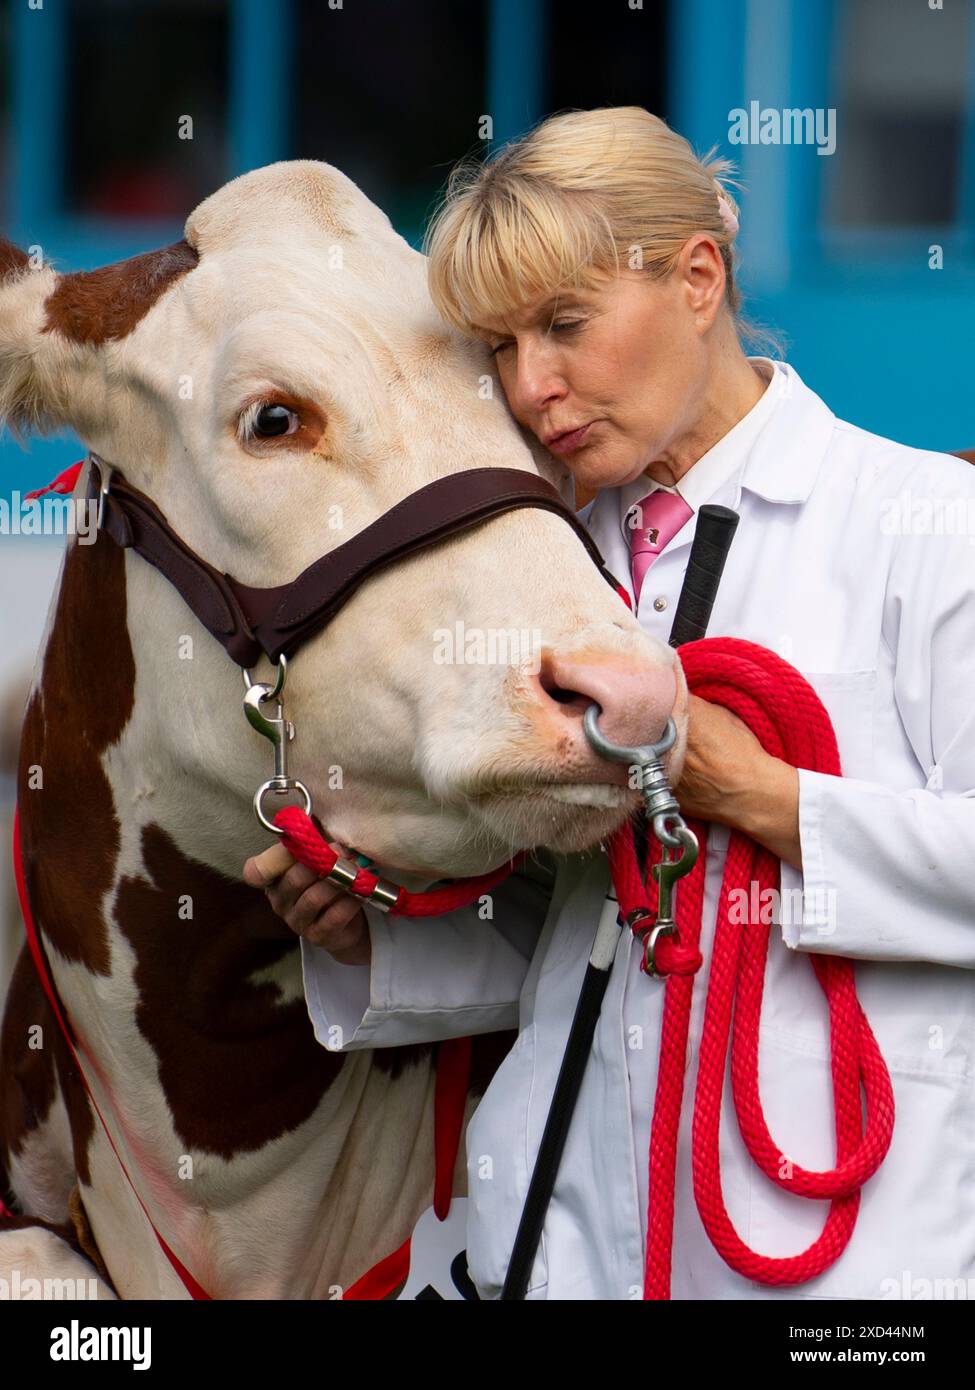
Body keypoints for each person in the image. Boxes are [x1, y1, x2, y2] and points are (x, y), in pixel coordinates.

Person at [242, 107, 975, 1300]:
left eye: (566, 325)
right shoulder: (543, 565)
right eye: (501, 347)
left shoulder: (923, 527)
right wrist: (377, 924)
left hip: (841, 1261)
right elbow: (590, 930)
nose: (533, 387)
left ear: (700, 277)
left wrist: (765, 798)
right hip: (567, 1240)